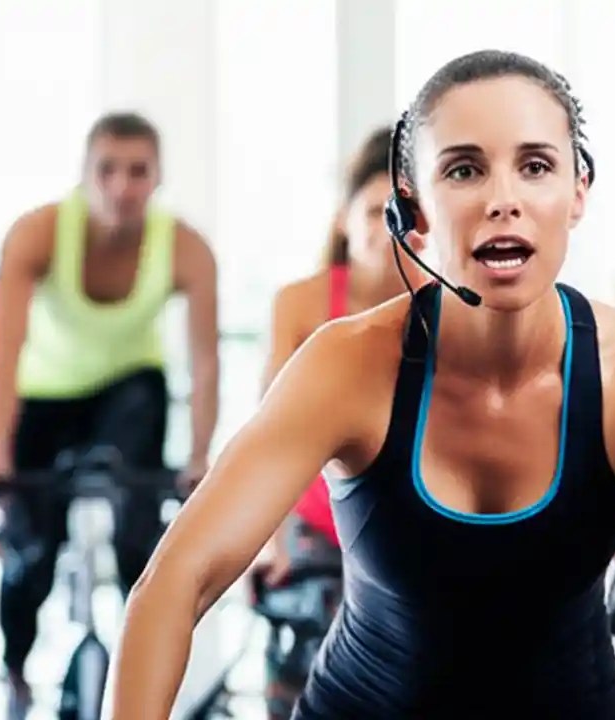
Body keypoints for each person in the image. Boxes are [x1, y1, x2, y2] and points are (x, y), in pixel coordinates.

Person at [104, 49, 615, 719]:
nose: (503, 200)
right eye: (464, 170)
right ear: (411, 209)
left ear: (578, 194)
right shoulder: (347, 363)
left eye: (535, 166)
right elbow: (172, 583)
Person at [0, 111, 218, 716]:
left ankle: (142, 689)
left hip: (128, 395)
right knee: (31, 553)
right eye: (107, 171)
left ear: (158, 178)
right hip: (48, 399)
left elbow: (204, 362)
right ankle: (16, 670)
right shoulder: (37, 232)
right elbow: (4, 355)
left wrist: (198, 459)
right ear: (84, 175)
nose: (122, 186)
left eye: (138, 172)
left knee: (142, 542)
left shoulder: (185, 247)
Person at [252, 125, 428, 718]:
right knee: (299, 680)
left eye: (402, 213)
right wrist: (266, 543)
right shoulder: (300, 303)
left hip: (403, 523)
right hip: (314, 521)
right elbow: (267, 432)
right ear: (343, 219)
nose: (388, 230)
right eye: (375, 210)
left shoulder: (447, 304)